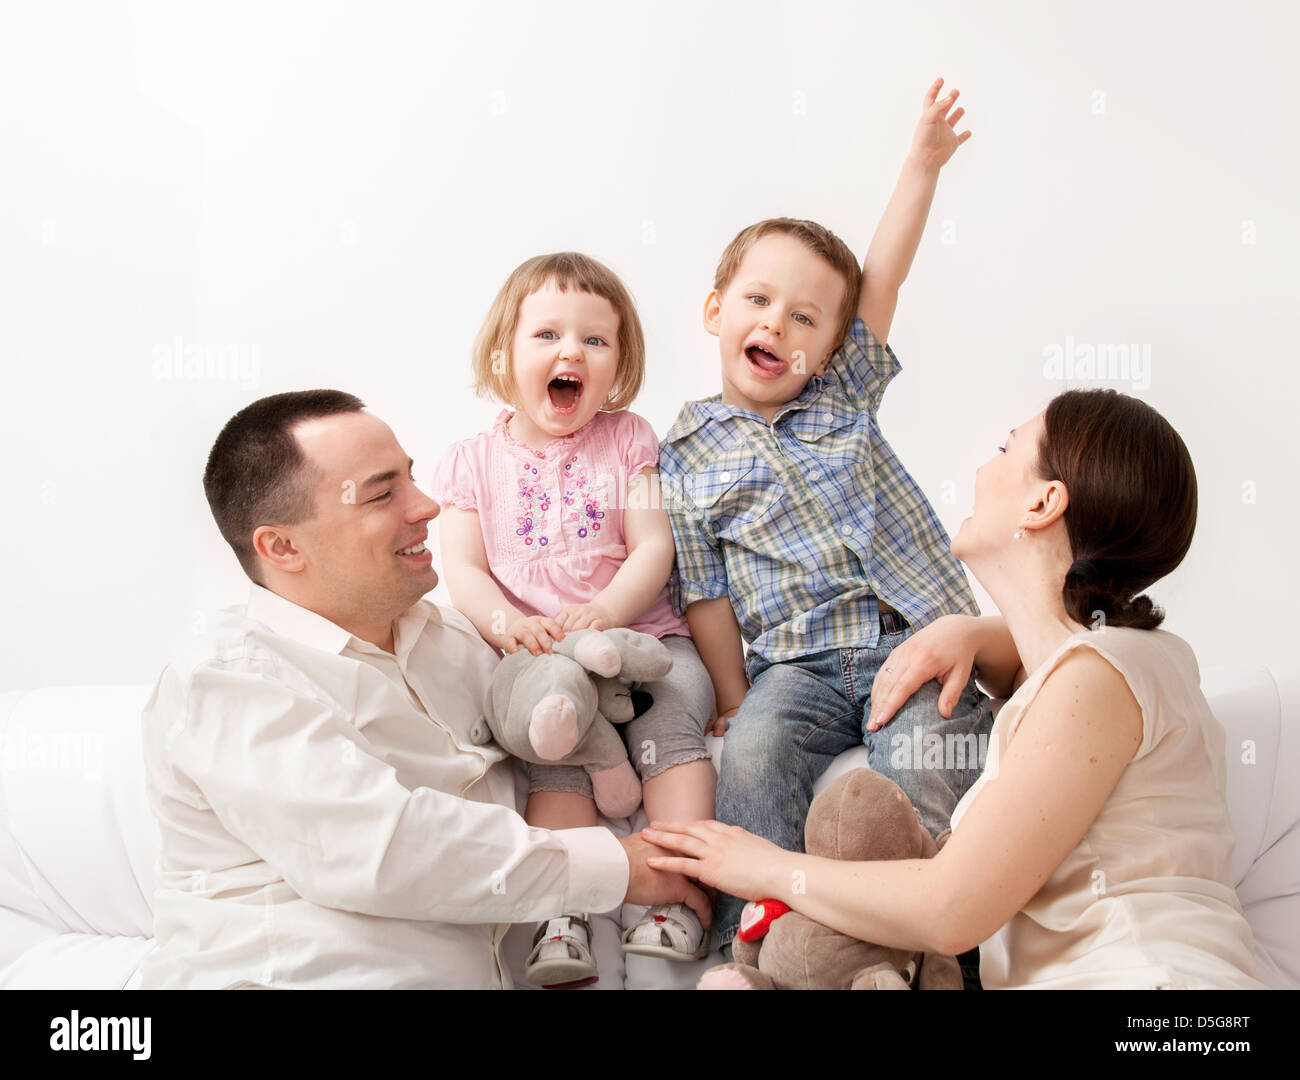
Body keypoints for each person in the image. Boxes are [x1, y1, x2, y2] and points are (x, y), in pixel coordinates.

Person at [644, 388, 1270, 990]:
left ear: (1043, 503)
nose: (980, 467)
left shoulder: (1098, 679)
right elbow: (1045, 660)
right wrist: (963, 630)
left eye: (1005, 450)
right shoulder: (1125, 664)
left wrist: (764, 868)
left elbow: (951, 908)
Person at [138, 389, 710, 990]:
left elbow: (580, 723)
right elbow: (382, 850)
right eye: (383, 494)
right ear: (283, 547)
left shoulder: (461, 645)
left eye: (411, 479)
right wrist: (620, 866)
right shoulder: (227, 681)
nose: (429, 507)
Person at [656, 77, 991, 955]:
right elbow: (705, 593)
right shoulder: (684, 452)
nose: (778, 325)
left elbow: (883, 276)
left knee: (929, 754)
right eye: (759, 301)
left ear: (832, 346)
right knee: (759, 757)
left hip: (907, 641)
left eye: (806, 318)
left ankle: (918, 943)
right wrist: (733, 696)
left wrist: (920, 165)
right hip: (791, 669)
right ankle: (749, 944)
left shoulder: (842, 394)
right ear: (716, 310)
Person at [431, 253, 716, 986]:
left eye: (595, 341)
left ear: (619, 363)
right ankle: (565, 912)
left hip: (643, 640)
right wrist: (505, 624)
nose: (571, 352)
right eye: (547, 335)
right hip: (544, 657)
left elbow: (653, 546)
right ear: (504, 353)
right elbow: (461, 567)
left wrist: (606, 612)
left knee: (669, 723)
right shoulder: (471, 461)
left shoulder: (627, 440)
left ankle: (684, 893)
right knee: (548, 748)